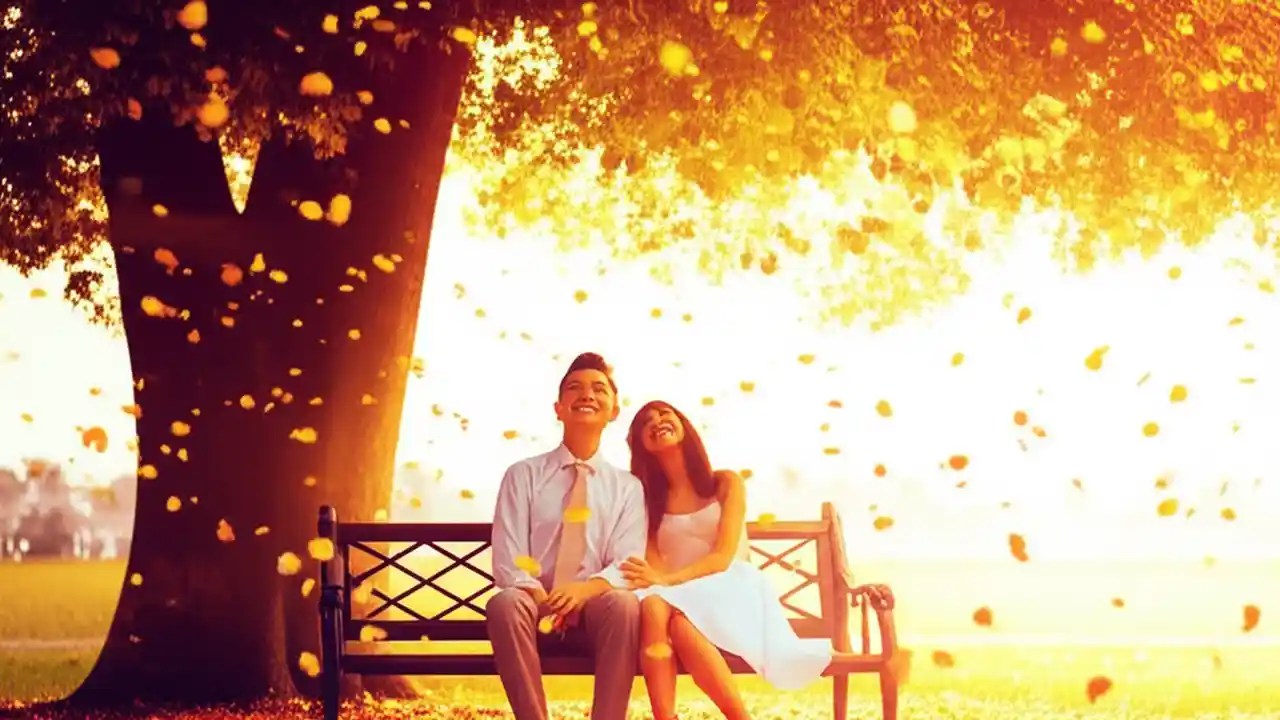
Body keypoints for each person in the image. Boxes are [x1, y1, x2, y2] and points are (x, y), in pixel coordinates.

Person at [621, 400, 833, 720]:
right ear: (640, 444)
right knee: (661, 612)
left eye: (666, 413)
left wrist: (666, 582)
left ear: (684, 426)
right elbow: (655, 567)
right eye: (646, 422)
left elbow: (722, 558)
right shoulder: (645, 499)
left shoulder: (725, 483)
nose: (658, 420)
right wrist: (661, 582)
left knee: (668, 608)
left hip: (730, 587)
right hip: (678, 598)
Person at [487, 352, 648, 720]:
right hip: (534, 604)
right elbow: (509, 561)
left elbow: (627, 562)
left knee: (625, 605)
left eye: (599, 389)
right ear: (559, 408)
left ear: (614, 411)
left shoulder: (627, 487)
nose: (587, 395)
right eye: (575, 388)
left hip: (595, 610)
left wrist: (581, 592)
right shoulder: (523, 475)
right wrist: (547, 601)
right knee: (504, 603)